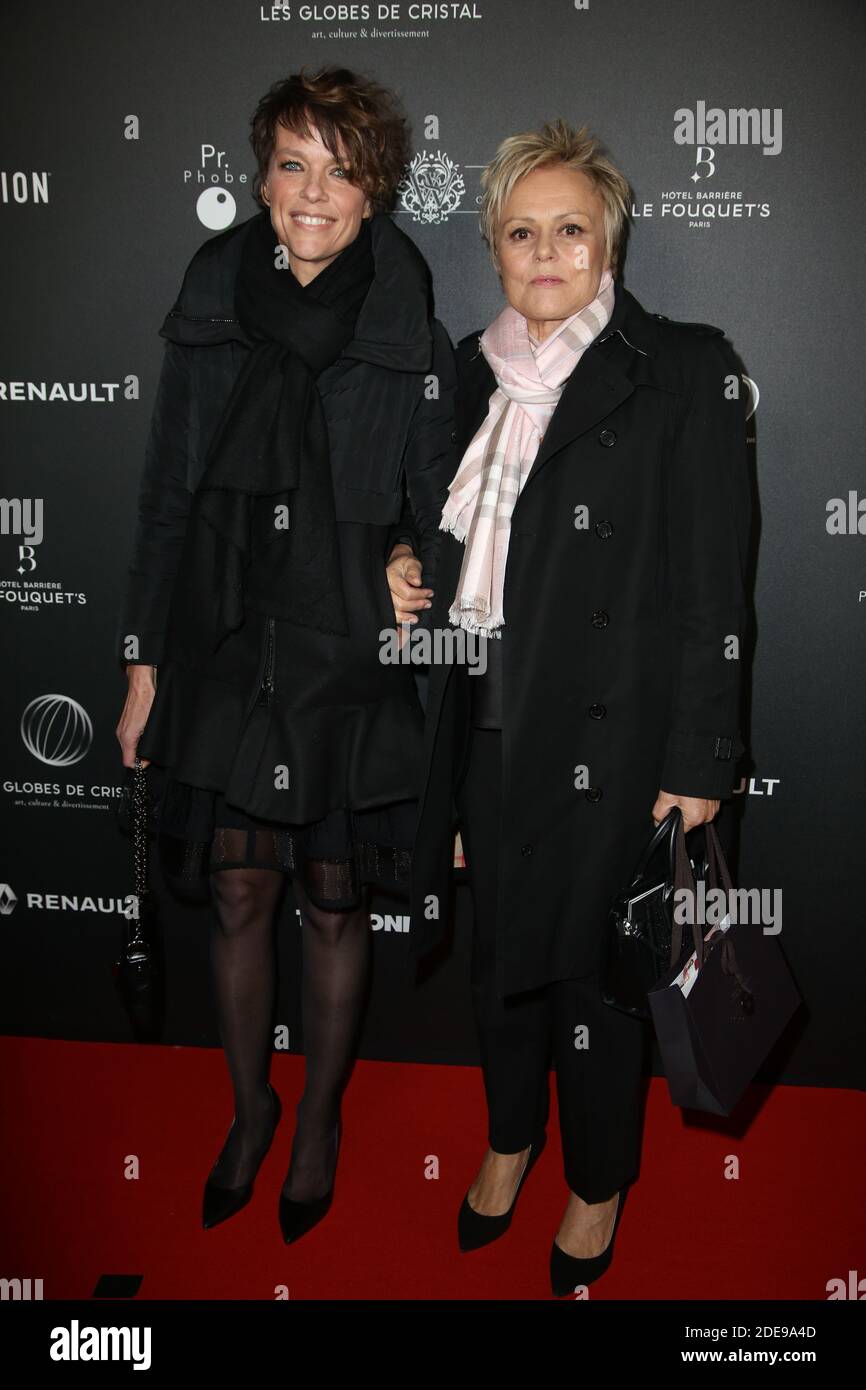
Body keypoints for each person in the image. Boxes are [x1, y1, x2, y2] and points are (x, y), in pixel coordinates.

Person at [409, 119, 751, 1296]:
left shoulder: (683, 369)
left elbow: (716, 582)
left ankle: (596, 1177)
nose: (543, 252)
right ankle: (510, 1137)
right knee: (500, 959)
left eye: (569, 229)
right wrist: (408, 568)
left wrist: (700, 755)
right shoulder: (465, 372)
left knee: (596, 977)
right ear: (493, 249)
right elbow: (446, 539)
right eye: (519, 231)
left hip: (612, 742)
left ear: (608, 242)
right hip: (484, 729)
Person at [115, 65, 456, 1243]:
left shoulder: (403, 309)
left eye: (339, 169)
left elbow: (433, 492)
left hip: (339, 649)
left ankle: (317, 1121)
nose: (314, 192)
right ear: (260, 179)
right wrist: (143, 664)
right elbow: (166, 491)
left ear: (374, 189)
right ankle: (248, 1111)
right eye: (292, 165)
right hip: (222, 628)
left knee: (327, 896)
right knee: (236, 887)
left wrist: (413, 554)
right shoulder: (212, 290)